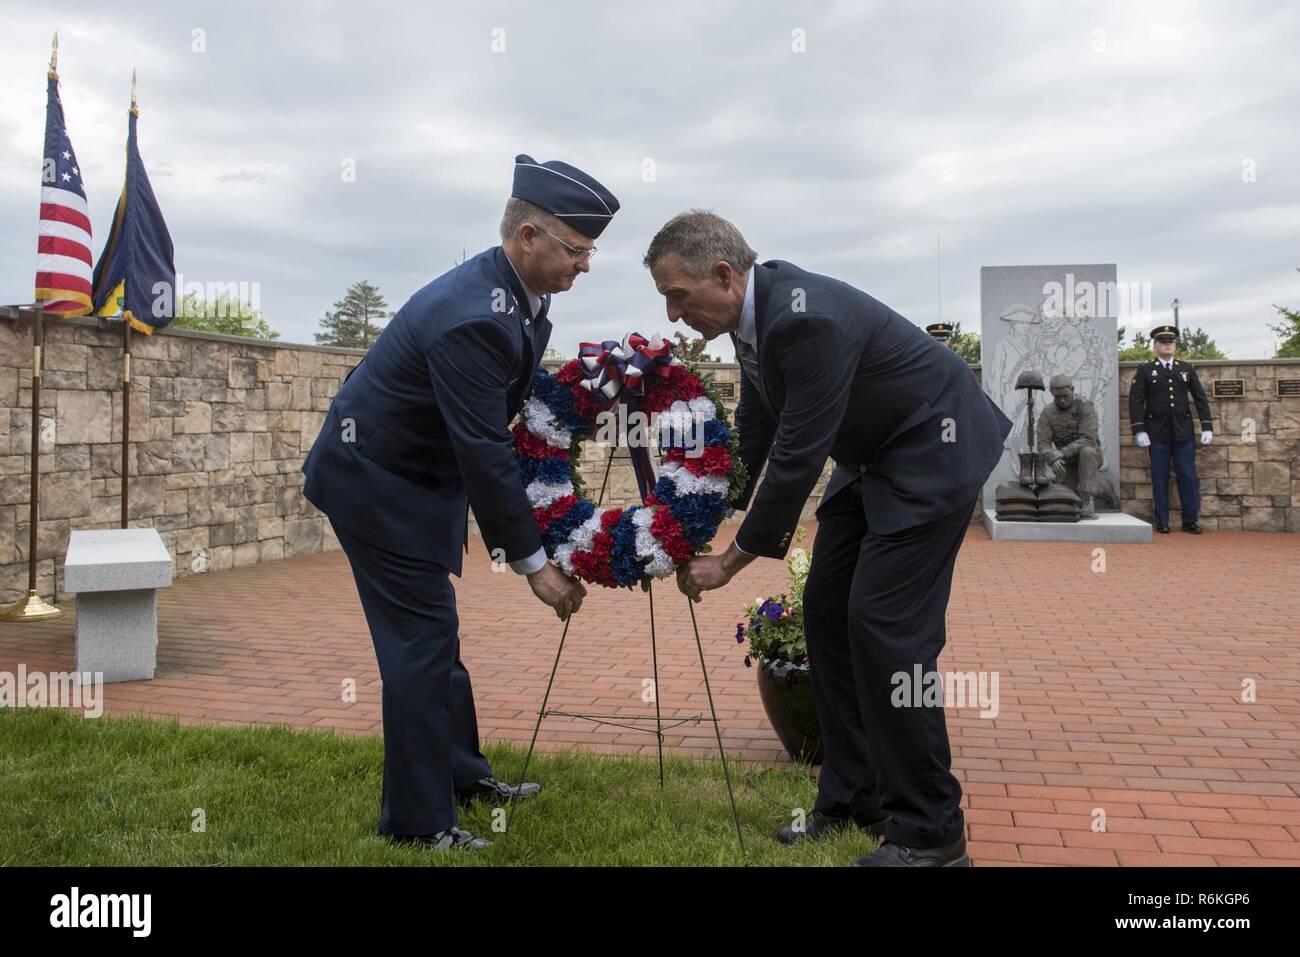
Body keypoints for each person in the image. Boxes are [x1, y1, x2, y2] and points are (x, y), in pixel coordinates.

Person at [644, 210, 1012, 867]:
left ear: (723, 275)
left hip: (932, 447)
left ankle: (932, 832)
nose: (674, 314)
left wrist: (730, 560)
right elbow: (757, 436)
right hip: (873, 457)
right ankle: (854, 795)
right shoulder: (753, 324)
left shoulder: (803, 319)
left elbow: (797, 455)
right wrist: (698, 518)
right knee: (826, 609)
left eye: (677, 294)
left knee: (887, 625)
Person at [302, 154, 619, 851]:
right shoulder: (473, 315)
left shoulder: (517, 298)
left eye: (591, 250)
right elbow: (483, 447)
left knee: (434, 636)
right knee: (419, 646)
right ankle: (418, 823)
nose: (585, 264)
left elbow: (506, 414)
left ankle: (463, 774)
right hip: (375, 485)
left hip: (411, 480)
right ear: (528, 235)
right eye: (576, 249)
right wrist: (535, 563)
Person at [1127, 324, 1213, 534]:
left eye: (1171, 342)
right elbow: (1136, 401)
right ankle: (1162, 520)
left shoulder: (1186, 369)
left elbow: (1200, 398)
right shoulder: (1146, 370)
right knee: (1159, 477)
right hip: (1156, 433)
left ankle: (1190, 520)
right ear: (1155, 345)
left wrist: (1207, 426)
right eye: (1163, 342)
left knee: (1188, 476)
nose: (1167, 345)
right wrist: (1139, 430)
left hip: (1183, 432)